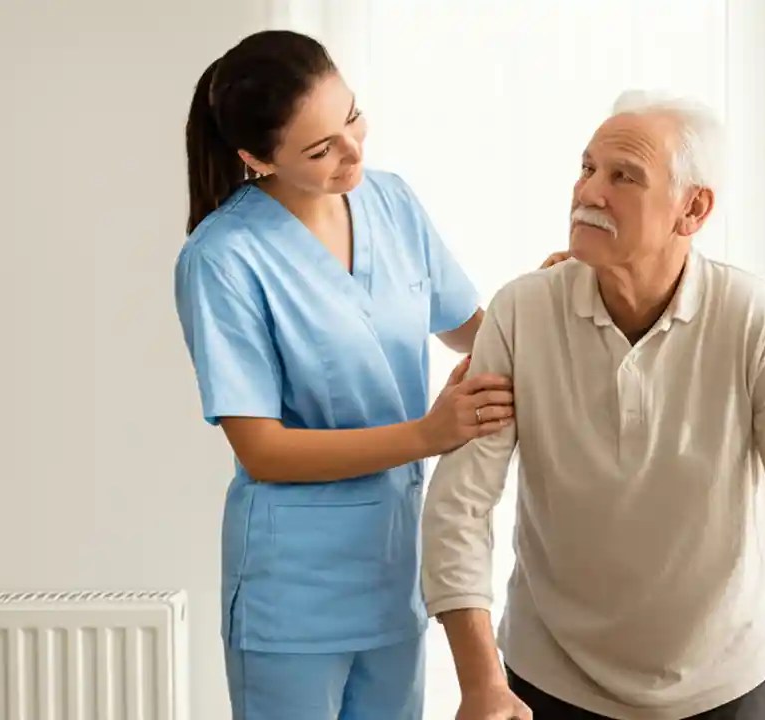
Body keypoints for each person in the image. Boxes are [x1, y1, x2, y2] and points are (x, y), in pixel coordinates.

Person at [421, 91, 765, 720]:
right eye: (586, 167)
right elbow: (460, 506)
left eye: (623, 176)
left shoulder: (754, 320)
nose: (589, 192)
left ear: (693, 208)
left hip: (723, 684)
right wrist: (481, 682)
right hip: (547, 681)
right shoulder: (520, 312)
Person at [174, 30, 562, 720]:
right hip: (293, 592)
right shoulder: (223, 259)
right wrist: (427, 433)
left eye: (351, 116)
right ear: (257, 159)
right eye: (320, 149)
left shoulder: (392, 202)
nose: (353, 151)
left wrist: (548, 301)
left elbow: (472, 330)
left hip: (392, 573)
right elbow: (261, 448)